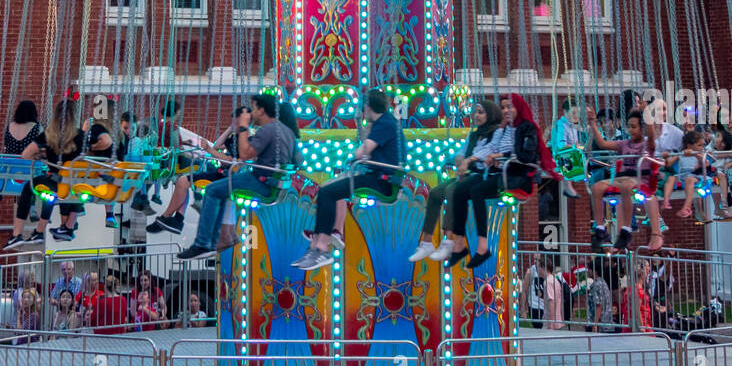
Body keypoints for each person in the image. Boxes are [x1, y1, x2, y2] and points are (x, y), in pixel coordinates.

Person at [180, 94, 296, 261]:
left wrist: (243, 127)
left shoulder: (268, 130)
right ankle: (218, 238)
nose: (252, 113)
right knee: (221, 189)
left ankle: (203, 243)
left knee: (212, 189)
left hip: (261, 182)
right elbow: (296, 160)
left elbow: (243, 155)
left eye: (254, 109)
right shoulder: (287, 132)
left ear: (262, 111)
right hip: (268, 180)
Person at [295, 89, 400, 271]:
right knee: (329, 188)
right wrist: (363, 125)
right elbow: (367, 141)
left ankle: (322, 246)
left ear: (368, 107)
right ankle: (328, 235)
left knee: (327, 193)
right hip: (377, 176)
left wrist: (355, 155)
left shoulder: (385, 123)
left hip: (382, 181)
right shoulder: (384, 122)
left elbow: (362, 150)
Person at [442, 93, 545, 270]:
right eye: (503, 107)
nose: (506, 110)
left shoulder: (527, 128)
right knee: (459, 191)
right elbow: (491, 147)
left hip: (517, 177)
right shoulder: (504, 130)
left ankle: (482, 246)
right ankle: (459, 243)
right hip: (501, 174)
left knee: (477, 191)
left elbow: (526, 154)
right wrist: (472, 159)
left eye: (509, 107)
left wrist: (499, 156)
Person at [409, 99, 509, 262]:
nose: (477, 115)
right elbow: (462, 150)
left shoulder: (496, 132)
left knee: (451, 192)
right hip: (466, 174)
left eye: (481, 112)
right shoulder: (474, 133)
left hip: (481, 175)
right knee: (435, 193)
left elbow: (489, 150)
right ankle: (426, 242)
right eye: (476, 112)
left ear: (490, 114)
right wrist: (458, 159)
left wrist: (468, 160)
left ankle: (448, 240)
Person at [147, 106, 248, 235]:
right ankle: (177, 219)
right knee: (182, 181)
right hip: (219, 172)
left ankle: (167, 218)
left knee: (186, 176)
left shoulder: (244, 140)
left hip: (228, 176)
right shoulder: (235, 137)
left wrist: (209, 150)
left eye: (235, 121)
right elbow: (217, 146)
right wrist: (229, 129)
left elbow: (230, 161)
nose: (233, 124)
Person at [587, 108, 663, 252]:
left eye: (634, 127)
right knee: (596, 187)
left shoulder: (648, 144)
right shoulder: (624, 144)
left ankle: (626, 230)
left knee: (627, 187)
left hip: (640, 178)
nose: (630, 130)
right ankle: (600, 228)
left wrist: (646, 112)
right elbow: (603, 144)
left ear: (642, 127)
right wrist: (594, 125)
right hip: (622, 178)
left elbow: (652, 134)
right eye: (628, 127)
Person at [18, 99, 85, 244]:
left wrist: (43, 155)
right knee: (73, 187)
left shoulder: (49, 135)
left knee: (33, 187)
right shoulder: (81, 136)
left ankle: (22, 232)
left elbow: (25, 155)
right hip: (75, 186)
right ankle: (67, 227)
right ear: (74, 116)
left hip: (55, 183)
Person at [2, 100, 46, 250]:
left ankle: (27, 205)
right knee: (37, 175)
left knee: (21, 183)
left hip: (11, 170)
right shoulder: (36, 128)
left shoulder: (10, 127)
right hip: (29, 169)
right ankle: (32, 206)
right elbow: (41, 147)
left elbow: (6, 146)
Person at [547, 100, 584, 198]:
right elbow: (561, 145)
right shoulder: (561, 125)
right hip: (560, 155)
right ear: (565, 112)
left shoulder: (572, 126)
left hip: (570, 153)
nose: (576, 116)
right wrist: (575, 147)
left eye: (578, 113)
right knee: (569, 156)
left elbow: (574, 142)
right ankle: (567, 186)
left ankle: (572, 182)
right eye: (573, 113)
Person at [520, 257, 545, 328]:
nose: (535, 261)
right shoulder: (530, 272)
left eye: (537, 259)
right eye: (534, 259)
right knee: (538, 329)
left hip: (546, 306)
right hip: (535, 307)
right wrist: (523, 310)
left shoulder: (547, 270)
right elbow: (524, 290)